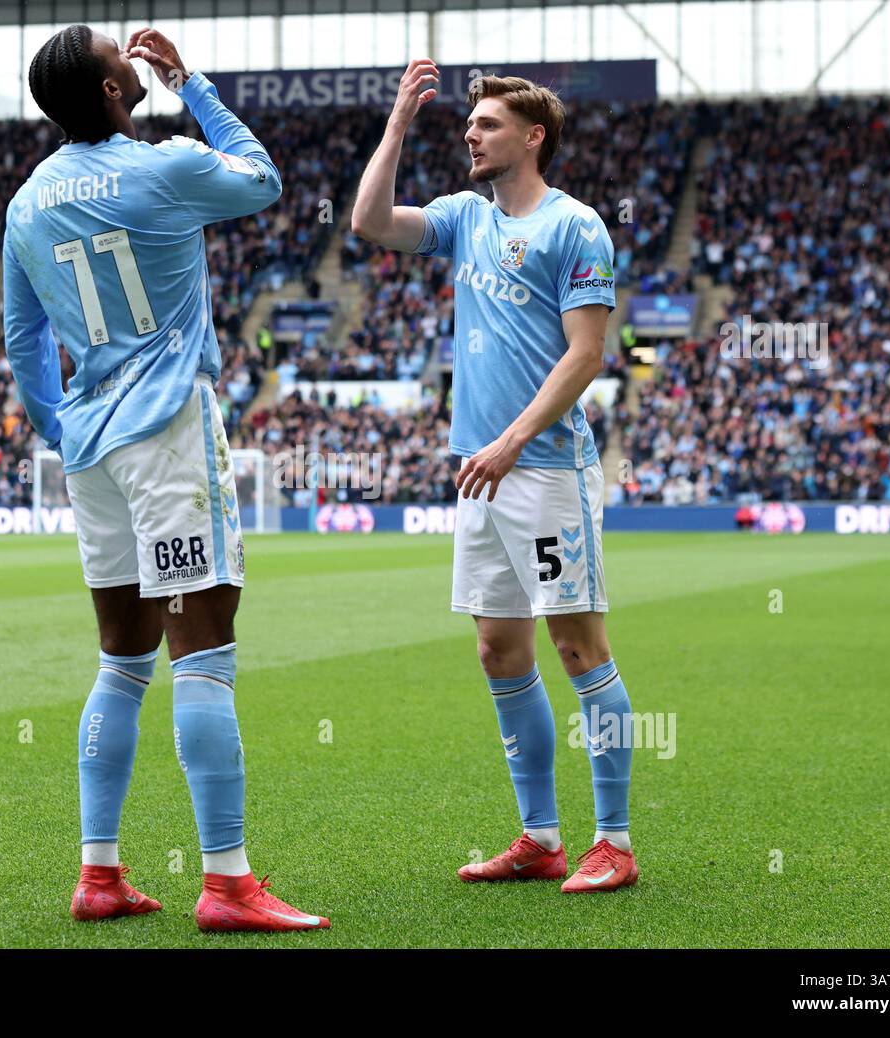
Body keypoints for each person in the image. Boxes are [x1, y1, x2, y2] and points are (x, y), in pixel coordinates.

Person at [3, 24, 328, 932]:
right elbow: (263, 179)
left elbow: (24, 335)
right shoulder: (166, 166)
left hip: (91, 446)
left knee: (120, 659)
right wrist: (192, 83)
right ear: (114, 88)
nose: (129, 53)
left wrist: (56, 424)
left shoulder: (26, 202)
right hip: (170, 432)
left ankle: (99, 872)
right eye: (120, 53)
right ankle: (227, 882)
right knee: (205, 653)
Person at [352, 61, 639, 892]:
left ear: (533, 135)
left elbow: (587, 354)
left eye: (487, 124)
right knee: (497, 649)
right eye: (468, 123)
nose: (470, 134)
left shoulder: (576, 226)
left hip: (543, 469)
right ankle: (540, 837)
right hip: (481, 471)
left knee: (579, 648)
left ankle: (613, 841)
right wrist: (399, 121)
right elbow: (371, 222)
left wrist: (512, 440)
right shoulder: (463, 218)